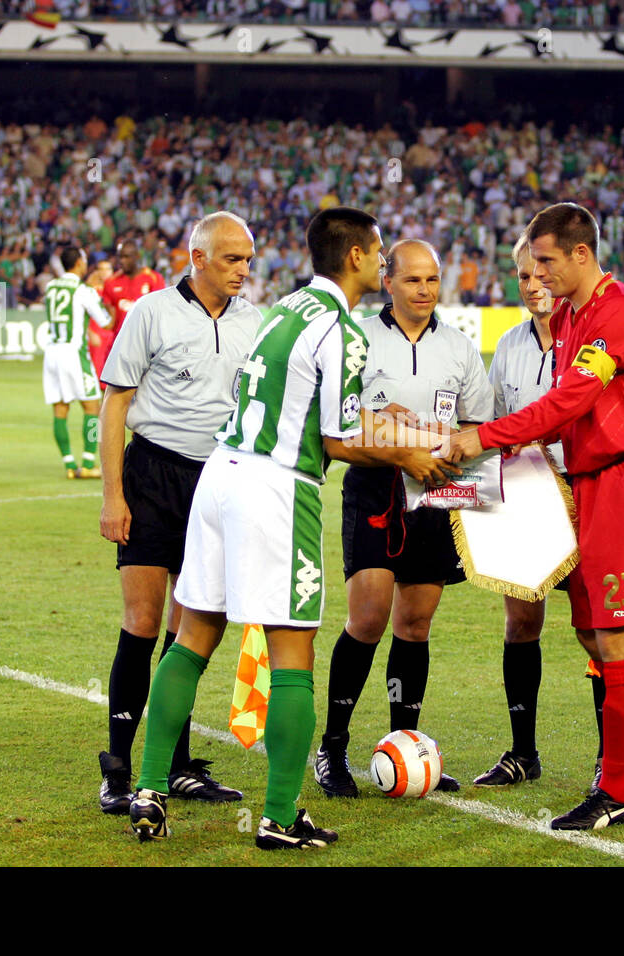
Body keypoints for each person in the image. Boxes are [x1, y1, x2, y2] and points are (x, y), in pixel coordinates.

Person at [127, 207, 456, 851]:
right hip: (278, 488)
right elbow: (335, 438)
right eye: (379, 250)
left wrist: (395, 426)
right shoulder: (342, 326)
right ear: (356, 257)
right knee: (292, 654)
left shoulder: (283, 309)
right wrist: (407, 454)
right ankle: (280, 816)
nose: (384, 260)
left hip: (220, 475)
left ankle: (148, 788)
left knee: (193, 633)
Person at [440, 203, 624, 830]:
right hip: (587, 484)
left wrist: (484, 438)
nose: (539, 273)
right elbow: (561, 406)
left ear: (581, 253)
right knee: (593, 632)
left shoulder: (620, 313)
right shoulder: (577, 315)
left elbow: (567, 403)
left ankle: (615, 791)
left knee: (618, 634)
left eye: (547, 261)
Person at [313, 238, 493, 799]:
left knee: (415, 624)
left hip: (437, 495)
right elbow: (335, 421)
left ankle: (405, 743)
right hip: (374, 489)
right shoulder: (358, 338)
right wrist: (384, 425)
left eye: (432, 281)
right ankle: (333, 748)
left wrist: (454, 448)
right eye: (412, 280)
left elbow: (480, 426)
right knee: (367, 619)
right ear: (387, 281)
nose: (424, 291)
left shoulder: (460, 348)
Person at [94, 212, 262, 814]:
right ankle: (117, 770)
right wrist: (113, 495)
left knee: (188, 631)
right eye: (231, 259)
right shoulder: (152, 312)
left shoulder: (255, 323)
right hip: (154, 475)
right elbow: (115, 407)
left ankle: (175, 764)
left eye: (247, 258)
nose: (243, 269)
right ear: (197, 257)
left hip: (218, 482)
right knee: (141, 622)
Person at [470, 233, 571, 788]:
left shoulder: (588, 339)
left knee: (597, 628)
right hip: (524, 493)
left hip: (583, 492)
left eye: (541, 273)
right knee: (521, 622)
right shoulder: (509, 344)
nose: (534, 285)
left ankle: (614, 759)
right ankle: (522, 753)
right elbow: (495, 427)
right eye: (524, 276)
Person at [42, 247, 111, 480]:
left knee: (60, 409)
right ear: (80, 263)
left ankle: (69, 464)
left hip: (52, 353)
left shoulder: (51, 287)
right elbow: (105, 321)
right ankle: (89, 462)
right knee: (93, 407)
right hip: (74, 354)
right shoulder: (83, 291)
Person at [96, 238, 164, 384]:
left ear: (137, 256)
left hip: (146, 348)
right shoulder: (110, 283)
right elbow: (111, 319)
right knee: (112, 395)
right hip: (118, 347)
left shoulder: (153, 279)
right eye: (120, 256)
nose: (121, 261)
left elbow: (160, 315)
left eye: (126, 256)